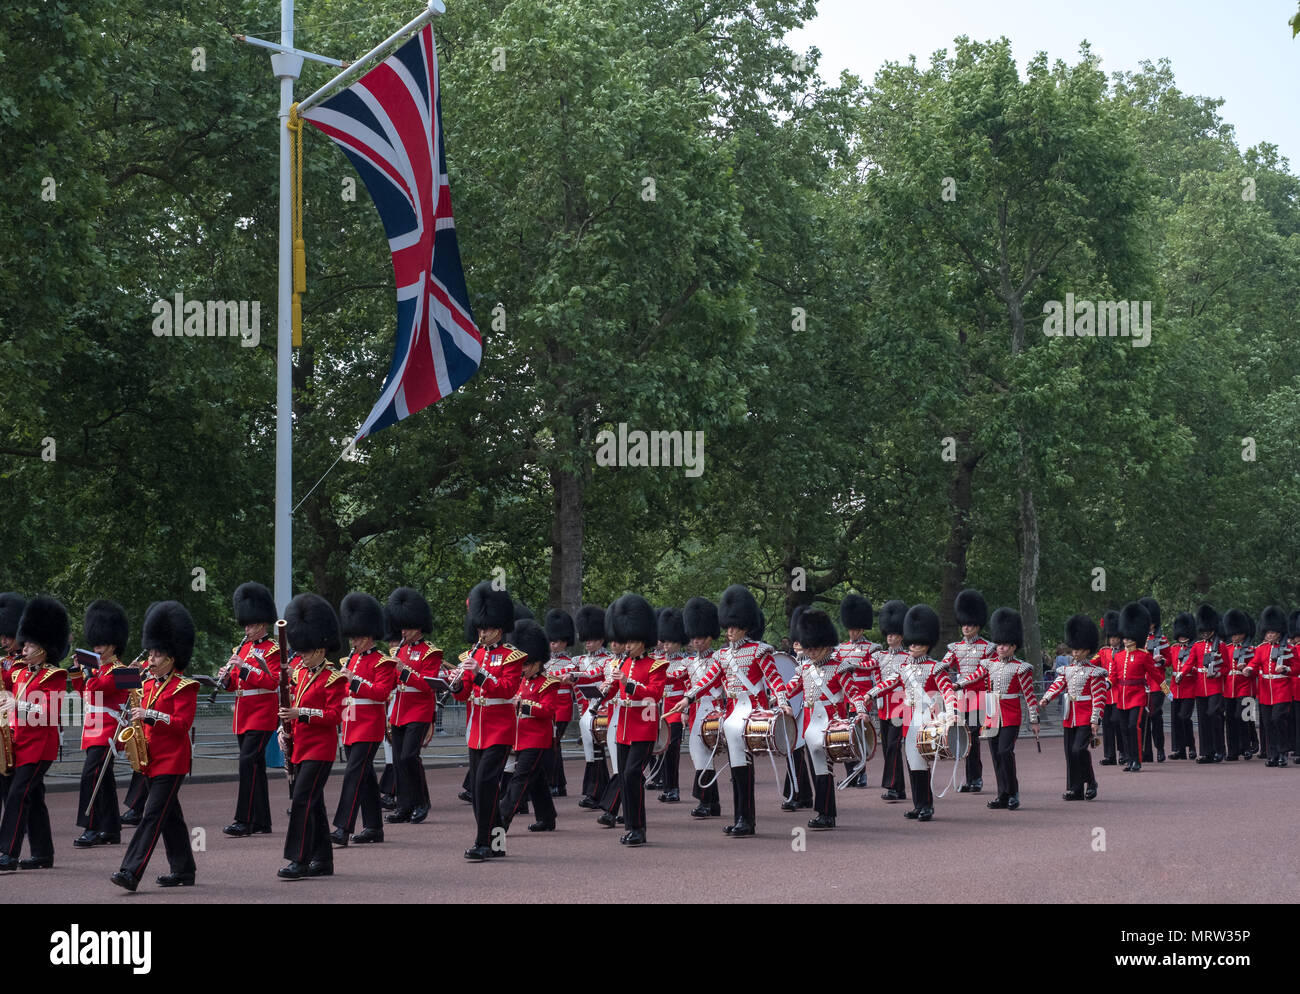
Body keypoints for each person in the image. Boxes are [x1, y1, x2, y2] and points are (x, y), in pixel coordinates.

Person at [671, 585, 788, 837]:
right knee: (737, 769)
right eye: (728, 626)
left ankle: (747, 820)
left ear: (745, 626)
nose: (730, 631)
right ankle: (741, 819)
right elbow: (708, 680)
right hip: (733, 715)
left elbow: (775, 678)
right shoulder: (722, 655)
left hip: (753, 712)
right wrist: (688, 698)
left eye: (734, 626)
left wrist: (782, 700)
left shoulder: (760, 651)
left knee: (743, 769)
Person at [110, 602, 199, 891]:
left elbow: (182, 724)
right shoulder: (146, 683)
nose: (152, 658)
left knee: (151, 814)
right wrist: (130, 670)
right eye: (151, 652)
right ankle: (184, 869)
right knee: (170, 817)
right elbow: (118, 684)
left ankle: (130, 870)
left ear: (173, 657)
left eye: (158, 654)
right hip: (149, 757)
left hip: (172, 760)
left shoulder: (185, 686)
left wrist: (152, 715)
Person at [274, 594, 347, 880]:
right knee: (314, 804)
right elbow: (288, 706)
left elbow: (334, 716)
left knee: (302, 801)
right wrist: (284, 728)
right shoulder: (300, 674)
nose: (300, 654)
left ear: (320, 648)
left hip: (321, 749)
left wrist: (300, 714)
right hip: (300, 747)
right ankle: (323, 860)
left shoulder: (334, 678)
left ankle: (299, 859)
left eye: (305, 650)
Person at [451, 582, 525, 861]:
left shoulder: (512, 657)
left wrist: (481, 674)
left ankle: (483, 842)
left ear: (500, 627)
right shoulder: (473, 654)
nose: (482, 633)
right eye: (480, 628)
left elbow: (507, 690)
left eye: (487, 628)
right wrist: (456, 685)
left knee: (484, 784)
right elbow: (464, 694)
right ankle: (497, 843)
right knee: (481, 789)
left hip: (500, 729)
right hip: (476, 729)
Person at [864, 604, 957, 822]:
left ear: (927, 644)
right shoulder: (904, 667)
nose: (914, 645)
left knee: (922, 764)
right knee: (913, 764)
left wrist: (952, 712)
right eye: (912, 642)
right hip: (908, 720)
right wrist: (871, 693)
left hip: (927, 720)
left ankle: (927, 806)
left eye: (918, 642)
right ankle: (918, 805)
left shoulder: (936, 668)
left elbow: (948, 691)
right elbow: (889, 682)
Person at [0, 595, 70, 870]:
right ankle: (43, 853)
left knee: (18, 794)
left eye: (28, 644)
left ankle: (8, 853)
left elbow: (49, 713)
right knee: (34, 797)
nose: (24, 648)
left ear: (43, 648)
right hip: (19, 742)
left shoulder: (55, 676)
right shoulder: (18, 671)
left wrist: (19, 704)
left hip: (40, 746)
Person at [596, 595, 665, 846]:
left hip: (644, 726)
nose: (628, 646)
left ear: (643, 641)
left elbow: (654, 694)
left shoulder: (656, 664)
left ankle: (639, 828)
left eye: (633, 641)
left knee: (633, 773)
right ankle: (631, 826)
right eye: (627, 641)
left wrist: (629, 684)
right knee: (625, 776)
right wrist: (603, 692)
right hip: (623, 727)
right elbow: (614, 692)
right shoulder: (621, 663)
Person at [784, 608, 860, 829]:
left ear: (826, 644)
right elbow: (789, 689)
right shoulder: (804, 668)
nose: (811, 652)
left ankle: (827, 813)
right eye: (809, 647)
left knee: (824, 769)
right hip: (809, 726)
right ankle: (824, 813)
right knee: (818, 769)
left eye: (815, 647)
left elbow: (853, 693)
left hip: (831, 723)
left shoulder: (839, 667)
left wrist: (861, 710)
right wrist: (780, 702)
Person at [330, 593, 397, 846]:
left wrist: (353, 681)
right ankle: (373, 827)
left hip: (369, 726)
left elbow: (381, 693)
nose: (353, 641)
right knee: (365, 777)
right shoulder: (351, 660)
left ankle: (342, 827)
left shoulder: (383, 662)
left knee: (352, 775)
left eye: (357, 637)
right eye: (352, 637)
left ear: (369, 636)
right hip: (350, 723)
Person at [219, 582, 282, 838]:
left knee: (247, 762)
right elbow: (234, 683)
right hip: (243, 714)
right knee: (255, 766)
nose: (247, 629)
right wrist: (223, 679)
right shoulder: (241, 649)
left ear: (264, 623)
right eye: (245, 624)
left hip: (262, 713)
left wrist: (245, 667)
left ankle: (243, 819)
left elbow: (273, 682)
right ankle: (262, 822)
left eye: (251, 624)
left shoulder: (274, 650)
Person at [73, 600, 131, 848]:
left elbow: (97, 688)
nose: (96, 648)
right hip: (94, 727)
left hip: (108, 730)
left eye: (101, 644)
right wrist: (78, 672)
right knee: (103, 780)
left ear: (113, 645)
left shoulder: (122, 671)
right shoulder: (98, 670)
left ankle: (92, 827)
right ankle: (111, 829)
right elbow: (85, 693)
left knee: (91, 776)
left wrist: (87, 672)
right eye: (94, 643)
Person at [499, 620, 562, 833]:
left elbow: (548, 711)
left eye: (526, 664)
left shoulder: (549, 683)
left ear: (537, 662)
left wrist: (524, 705)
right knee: (537, 781)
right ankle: (547, 818)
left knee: (520, 779)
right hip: (520, 738)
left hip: (537, 740)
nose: (522, 669)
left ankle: (500, 820)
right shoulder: (521, 681)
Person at [384, 587, 440, 825]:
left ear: (418, 627)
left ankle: (421, 802)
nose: (403, 631)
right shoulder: (400, 650)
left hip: (419, 709)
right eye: (401, 627)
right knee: (398, 760)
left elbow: (428, 685)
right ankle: (404, 805)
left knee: (409, 756)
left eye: (407, 627)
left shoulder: (432, 653)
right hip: (399, 709)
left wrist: (402, 670)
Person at [1040, 615, 1106, 801]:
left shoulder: (1095, 672)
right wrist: (1046, 698)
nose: (1075, 652)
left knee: (1079, 750)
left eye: (1079, 649)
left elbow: (1099, 697)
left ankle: (1091, 782)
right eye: (1074, 649)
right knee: (1070, 753)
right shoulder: (1066, 669)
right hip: (1070, 715)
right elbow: (1057, 684)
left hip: (1086, 715)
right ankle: (1075, 788)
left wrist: (1095, 719)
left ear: (1087, 650)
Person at [979, 607, 1038, 810]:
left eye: (1005, 645)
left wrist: (1034, 720)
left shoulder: (1021, 668)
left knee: (1005, 751)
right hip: (992, 715)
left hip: (1011, 715)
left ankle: (1013, 792)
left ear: (1013, 647)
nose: (1001, 648)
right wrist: (959, 684)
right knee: (996, 755)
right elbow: (974, 677)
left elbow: (1030, 696)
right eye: (999, 644)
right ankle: (1002, 794)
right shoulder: (988, 664)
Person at [942, 589, 992, 793]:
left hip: (978, 698)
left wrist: (960, 683)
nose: (965, 627)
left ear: (977, 626)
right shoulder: (954, 647)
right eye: (963, 623)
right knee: (963, 738)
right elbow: (943, 665)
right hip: (961, 699)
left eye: (969, 624)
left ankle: (976, 778)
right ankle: (970, 778)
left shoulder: (987, 647)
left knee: (972, 736)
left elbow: (981, 672)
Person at [568, 605, 614, 808]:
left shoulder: (608, 660)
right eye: (586, 639)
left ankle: (599, 792)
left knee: (600, 750)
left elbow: (595, 674)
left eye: (592, 639)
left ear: (601, 639)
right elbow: (569, 672)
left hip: (602, 708)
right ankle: (593, 791)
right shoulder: (578, 660)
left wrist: (575, 675)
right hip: (586, 710)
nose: (588, 643)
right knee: (591, 752)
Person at [681, 596, 723, 818]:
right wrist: (686, 711)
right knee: (699, 756)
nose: (696, 641)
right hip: (696, 710)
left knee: (705, 756)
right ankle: (709, 802)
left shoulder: (718, 658)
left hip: (714, 710)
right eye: (694, 637)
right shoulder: (690, 662)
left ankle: (708, 802)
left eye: (701, 637)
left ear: (710, 637)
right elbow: (686, 684)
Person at [1109, 602, 1162, 772]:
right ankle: (1130, 759)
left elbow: (1156, 675)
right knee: (1124, 728)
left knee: (1134, 726)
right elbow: (1114, 676)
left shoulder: (1143, 656)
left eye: (1129, 638)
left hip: (1138, 697)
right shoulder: (1118, 656)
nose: (1126, 640)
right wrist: (1106, 685)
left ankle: (1137, 759)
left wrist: (1167, 692)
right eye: (1125, 637)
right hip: (1122, 698)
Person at [832, 594, 878, 789]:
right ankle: (850, 773)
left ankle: (861, 774)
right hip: (843, 698)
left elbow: (875, 664)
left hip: (862, 697)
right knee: (845, 737)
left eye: (856, 630)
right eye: (850, 629)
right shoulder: (840, 648)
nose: (852, 633)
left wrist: (853, 665)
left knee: (858, 737)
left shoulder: (872, 647)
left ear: (862, 629)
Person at [868, 600, 909, 802]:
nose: (890, 637)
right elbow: (866, 666)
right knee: (887, 747)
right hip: (884, 706)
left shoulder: (908, 657)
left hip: (900, 706)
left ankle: (893, 786)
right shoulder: (880, 655)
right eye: (888, 634)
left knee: (893, 745)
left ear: (900, 636)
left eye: (893, 634)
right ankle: (899, 787)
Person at [653, 607, 689, 803]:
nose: (665, 645)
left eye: (670, 641)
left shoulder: (686, 661)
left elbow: (683, 683)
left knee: (672, 749)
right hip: (659, 708)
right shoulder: (657, 660)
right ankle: (666, 787)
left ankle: (673, 788)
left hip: (676, 708)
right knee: (661, 749)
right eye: (664, 641)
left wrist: (686, 711)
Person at [1250, 606, 1291, 767]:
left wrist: (1287, 669)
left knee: (1277, 719)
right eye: (1267, 633)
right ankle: (1273, 754)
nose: (1268, 635)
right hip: (1266, 691)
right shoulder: (1261, 649)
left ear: (1279, 633)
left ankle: (1283, 752)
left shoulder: (1288, 648)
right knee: (1268, 723)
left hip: (1282, 690)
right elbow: (1255, 663)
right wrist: (1249, 668)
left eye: (1272, 633)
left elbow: (1296, 667)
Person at [541, 609, 576, 797]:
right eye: (551, 641)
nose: (552, 645)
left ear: (564, 641)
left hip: (562, 707)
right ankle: (559, 784)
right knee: (553, 745)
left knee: (553, 744)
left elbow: (565, 678)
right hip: (548, 706)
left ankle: (553, 782)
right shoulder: (545, 662)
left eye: (556, 641)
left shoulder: (570, 663)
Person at [1187, 604, 1225, 764]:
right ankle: (1206, 752)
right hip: (1200, 687)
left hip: (1215, 686)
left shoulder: (1221, 645)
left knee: (1214, 715)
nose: (1204, 634)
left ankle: (1219, 749)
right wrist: (1182, 673)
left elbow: (1227, 667)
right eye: (1202, 631)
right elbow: (1190, 662)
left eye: (1207, 631)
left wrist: (1217, 673)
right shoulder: (1197, 646)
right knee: (1203, 719)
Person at [0, 593, 24, 821]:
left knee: (16, 778)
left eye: (8, 637)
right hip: (5, 721)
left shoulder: (23, 662)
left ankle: (18, 819)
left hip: (23, 721)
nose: (4, 641)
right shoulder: (7, 660)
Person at [1220, 609, 1255, 761]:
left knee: (1244, 717)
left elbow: (1257, 668)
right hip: (1229, 688)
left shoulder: (1252, 650)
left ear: (1244, 633)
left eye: (1237, 634)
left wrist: (1247, 669)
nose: (1234, 637)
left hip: (1246, 687)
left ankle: (1247, 747)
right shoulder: (1226, 649)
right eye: (1232, 634)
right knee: (1231, 720)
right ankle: (1233, 750)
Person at [1138, 596, 1169, 764]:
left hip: (1158, 683)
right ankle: (1146, 751)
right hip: (1142, 684)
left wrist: (1161, 661)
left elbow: (1169, 659)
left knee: (1156, 715)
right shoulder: (1137, 641)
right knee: (1143, 718)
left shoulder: (1162, 640)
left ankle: (1160, 748)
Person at [1166, 612, 1197, 759]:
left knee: (1184, 717)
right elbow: (1167, 662)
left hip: (1189, 687)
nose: (1182, 637)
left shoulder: (1194, 648)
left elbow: (1196, 666)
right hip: (1174, 688)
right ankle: (1180, 750)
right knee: (1176, 719)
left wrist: (1187, 672)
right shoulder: (1174, 648)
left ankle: (1191, 746)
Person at [1098, 610, 1122, 765]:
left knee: (1118, 724)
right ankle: (1109, 755)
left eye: (1115, 637)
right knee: (1107, 725)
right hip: (1106, 696)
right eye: (1111, 637)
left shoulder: (1125, 652)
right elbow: (1092, 663)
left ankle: (1123, 753)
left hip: (1119, 693)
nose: (1112, 640)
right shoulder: (1103, 651)